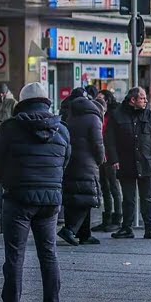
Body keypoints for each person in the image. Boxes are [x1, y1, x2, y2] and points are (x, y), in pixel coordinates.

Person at [0, 83, 70, 302]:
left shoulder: (11, 127)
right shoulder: (61, 129)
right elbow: (66, 159)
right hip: (51, 199)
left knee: (15, 254)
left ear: (21, 102)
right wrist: (51, 182)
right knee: (49, 253)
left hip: (18, 198)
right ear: (46, 100)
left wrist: (8, 181)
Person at [107, 87, 151, 240]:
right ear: (132, 100)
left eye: (145, 98)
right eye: (142, 98)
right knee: (128, 198)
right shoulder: (117, 115)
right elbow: (110, 140)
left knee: (146, 198)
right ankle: (126, 228)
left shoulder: (149, 115)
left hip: (146, 162)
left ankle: (149, 228)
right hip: (126, 163)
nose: (146, 101)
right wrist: (113, 159)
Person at [58, 87, 104, 247]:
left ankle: (85, 234)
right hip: (87, 163)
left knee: (75, 197)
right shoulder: (94, 119)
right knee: (87, 199)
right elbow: (98, 143)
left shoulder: (71, 117)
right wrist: (100, 160)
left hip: (71, 160)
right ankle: (69, 230)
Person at [92, 89, 124, 233]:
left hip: (111, 155)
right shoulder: (99, 114)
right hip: (101, 155)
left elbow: (113, 137)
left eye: (101, 98)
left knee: (113, 186)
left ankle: (117, 218)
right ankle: (107, 218)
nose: (98, 100)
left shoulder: (113, 115)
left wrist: (113, 155)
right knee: (104, 186)